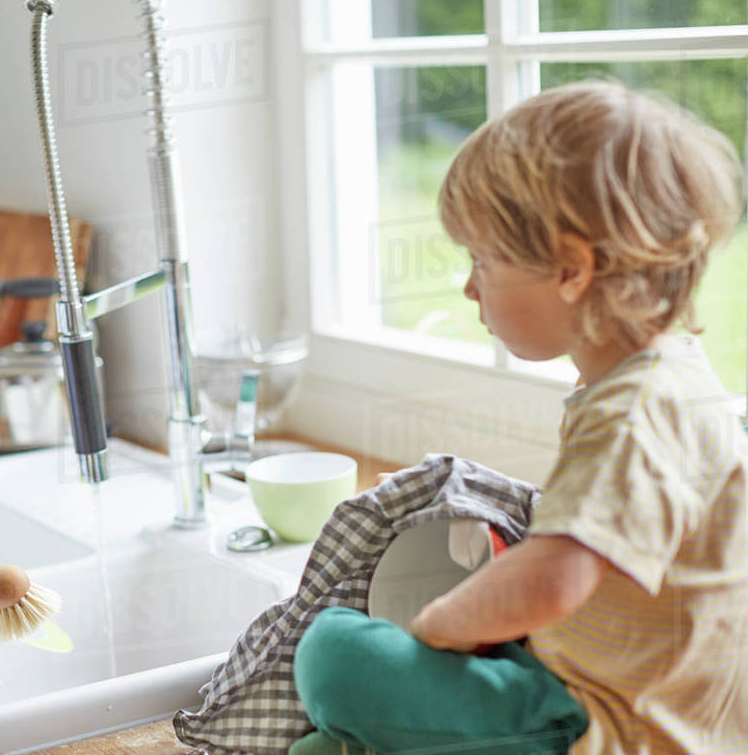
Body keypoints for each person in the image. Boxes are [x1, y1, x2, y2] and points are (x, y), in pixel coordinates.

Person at [293, 81, 748, 753]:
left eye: (483, 260)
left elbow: (554, 581)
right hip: (623, 682)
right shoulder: (672, 380)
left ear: (571, 269)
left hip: (605, 723)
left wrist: (439, 626)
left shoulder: (633, 413)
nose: (470, 285)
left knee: (333, 651)